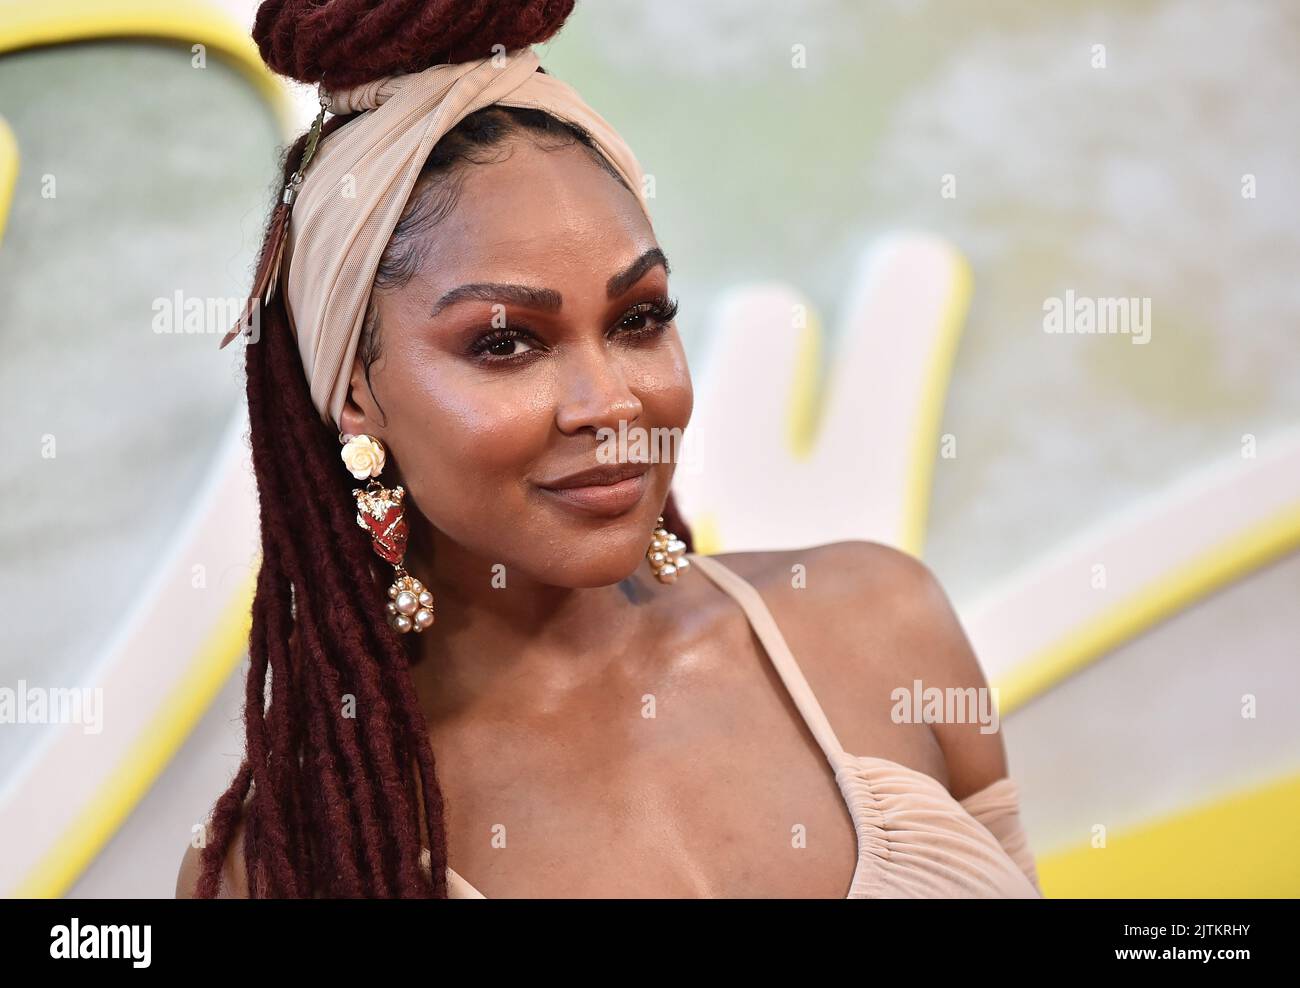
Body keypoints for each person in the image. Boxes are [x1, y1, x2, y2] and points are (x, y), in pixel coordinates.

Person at [176, 0, 1041, 899]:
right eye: (507, 343)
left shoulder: (883, 626)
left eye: (638, 319)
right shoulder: (299, 864)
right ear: (356, 390)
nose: (612, 402)